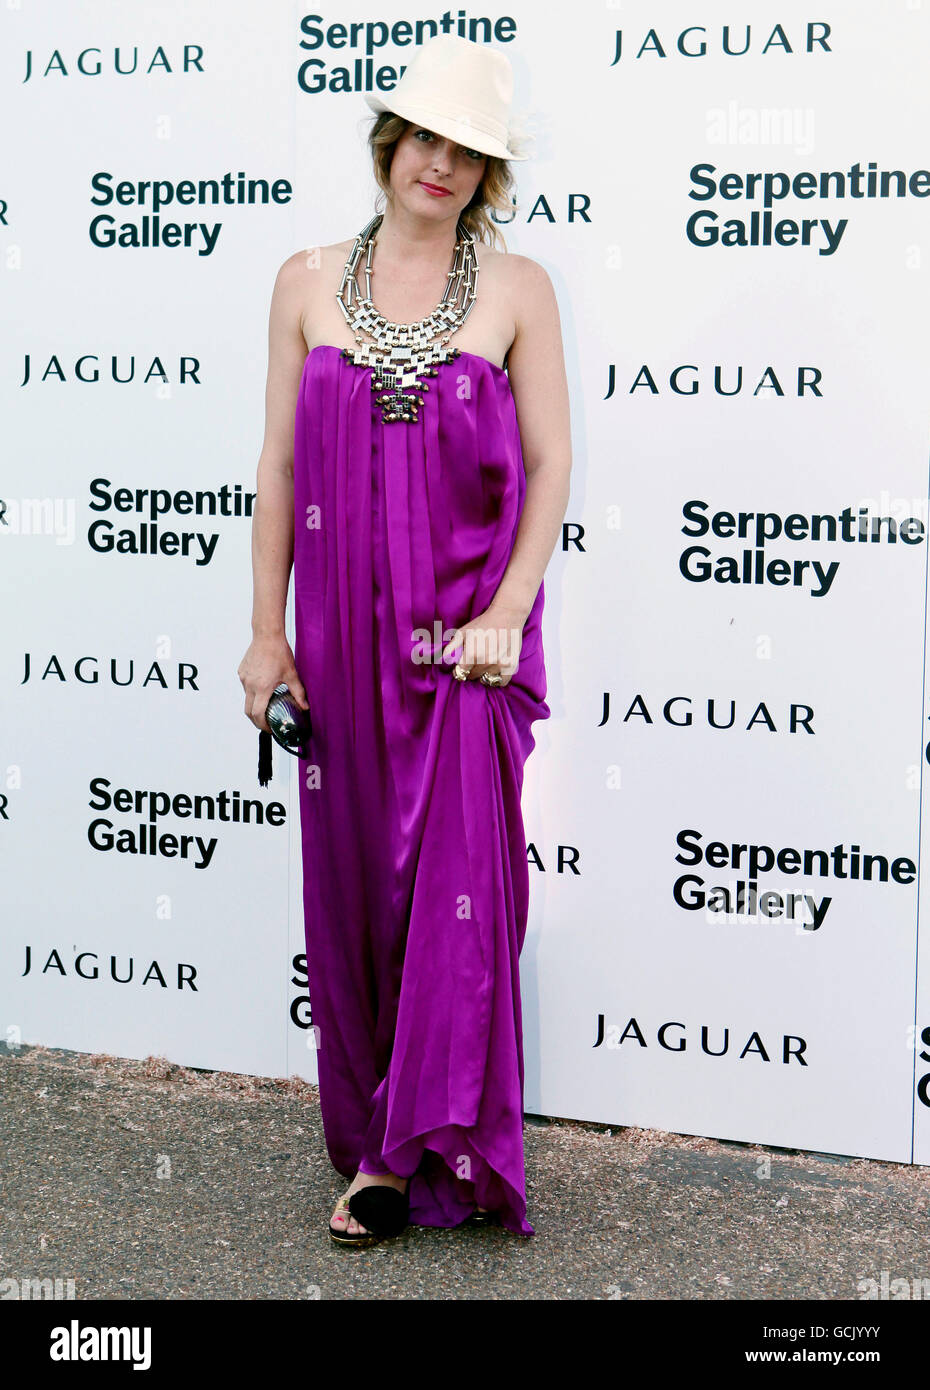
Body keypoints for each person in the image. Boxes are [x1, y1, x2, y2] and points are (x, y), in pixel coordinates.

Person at [238, 34, 571, 1246]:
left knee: (462, 894)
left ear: (489, 174)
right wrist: (264, 637)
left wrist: (506, 609)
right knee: (358, 895)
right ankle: (385, 1124)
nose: (442, 165)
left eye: (469, 152)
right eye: (426, 139)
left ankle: (408, 1156)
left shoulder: (522, 289)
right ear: (389, 143)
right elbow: (277, 468)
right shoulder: (306, 278)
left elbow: (550, 465)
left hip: (463, 644)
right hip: (336, 645)